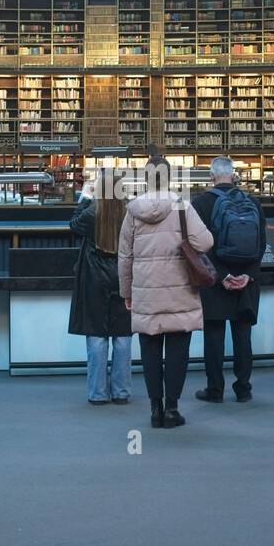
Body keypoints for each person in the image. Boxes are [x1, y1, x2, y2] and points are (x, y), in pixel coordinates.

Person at [118, 157, 214, 429]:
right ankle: (172, 409)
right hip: (180, 290)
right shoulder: (183, 206)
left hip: (146, 292)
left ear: (145, 179)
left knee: (149, 350)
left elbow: (124, 256)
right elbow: (205, 242)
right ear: (170, 178)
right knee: (177, 350)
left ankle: (154, 409)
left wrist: (126, 292)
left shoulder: (133, 211)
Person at [192, 156, 266, 403]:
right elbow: (261, 243)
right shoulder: (252, 202)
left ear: (211, 176)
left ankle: (215, 389)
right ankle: (243, 388)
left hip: (214, 281)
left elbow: (199, 247)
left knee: (214, 337)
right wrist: (248, 275)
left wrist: (221, 276)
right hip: (245, 281)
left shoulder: (201, 203)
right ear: (233, 175)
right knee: (243, 336)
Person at [69, 171, 134, 405]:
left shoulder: (93, 212)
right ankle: (121, 391)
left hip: (95, 277)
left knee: (97, 333)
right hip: (123, 275)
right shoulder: (129, 211)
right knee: (123, 333)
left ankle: (98, 393)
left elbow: (74, 225)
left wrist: (85, 197)